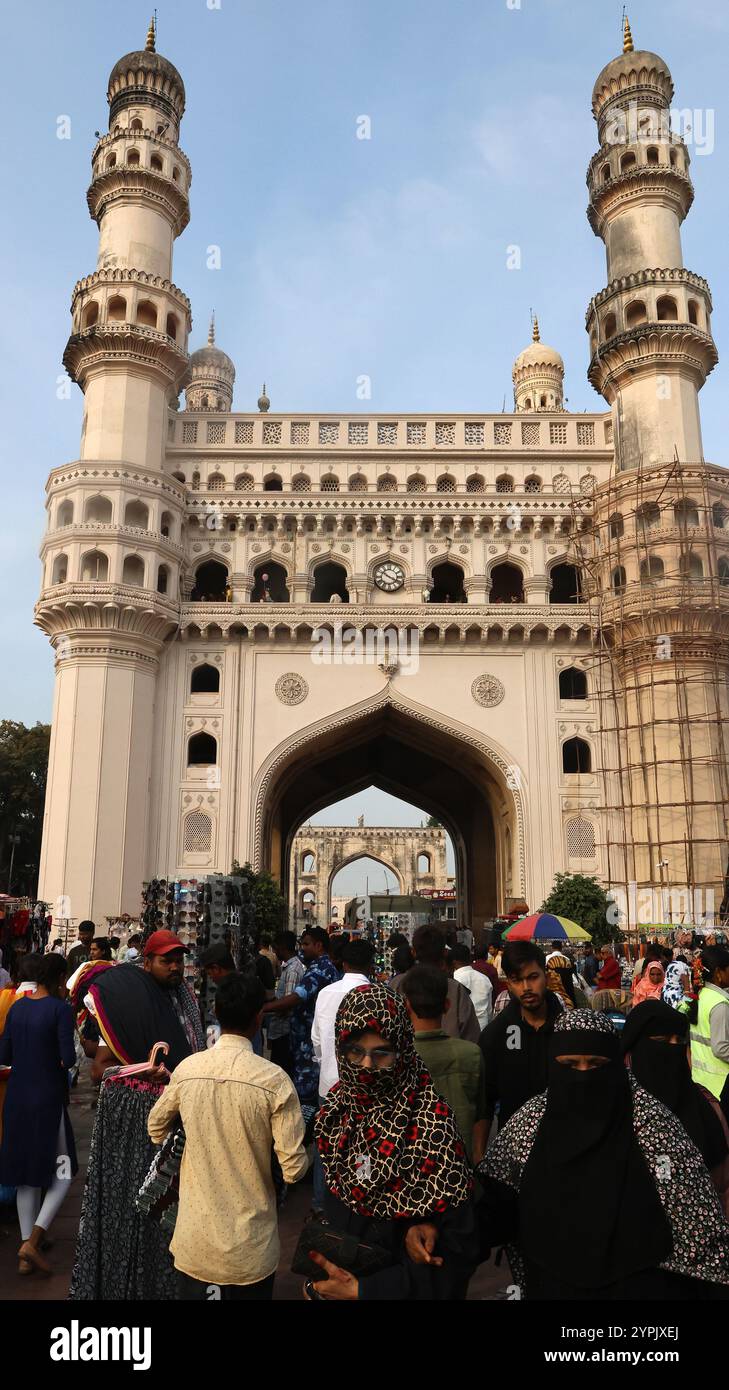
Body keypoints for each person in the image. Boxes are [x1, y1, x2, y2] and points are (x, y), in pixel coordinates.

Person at [408, 1009, 729, 1300]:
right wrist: (441, 1229)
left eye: (596, 1065)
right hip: (548, 1283)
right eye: (570, 1065)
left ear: (615, 1066)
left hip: (642, 1286)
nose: (583, 1075)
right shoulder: (531, 1122)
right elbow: (493, 1204)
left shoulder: (650, 1122)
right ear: (553, 1066)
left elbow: (699, 1225)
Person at [308, 983, 477, 1300]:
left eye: (382, 1053)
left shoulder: (432, 1126)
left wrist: (366, 1291)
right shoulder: (337, 1117)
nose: (367, 1066)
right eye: (356, 1052)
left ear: (403, 1052)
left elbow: (457, 1250)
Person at [148, 972, 309, 1300]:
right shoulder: (274, 1081)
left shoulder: (188, 1069)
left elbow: (155, 1129)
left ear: (216, 1015)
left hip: (195, 1241)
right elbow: (293, 1170)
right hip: (250, 1249)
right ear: (258, 1016)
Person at [69, 930, 205, 1300]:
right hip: (135, 1130)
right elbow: (99, 1069)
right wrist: (140, 1072)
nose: (175, 967)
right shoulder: (122, 1002)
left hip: (177, 1125)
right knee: (136, 1208)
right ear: (147, 962)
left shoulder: (185, 1003)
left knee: (170, 1213)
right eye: (166, 960)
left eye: (179, 959)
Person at [0, 952, 77, 1277]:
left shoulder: (17, 1008)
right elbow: (68, 1058)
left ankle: (24, 1250)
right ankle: (34, 1238)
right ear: (60, 979)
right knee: (63, 1170)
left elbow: (4, 1054)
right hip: (47, 1097)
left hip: (17, 1096)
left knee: (25, 1175)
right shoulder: (61, 1009)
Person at [622, 1000, 729, 1214]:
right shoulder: (616, 1109)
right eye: (661, 1040)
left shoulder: (706, 1107)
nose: (672, 1049)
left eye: (679, 1041)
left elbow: (724, 1185)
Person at [309, 939, 374, 1217]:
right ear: (371, 964)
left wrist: (326, 1065)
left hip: (329, 1084)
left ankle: (322, 1205)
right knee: (363, 1144)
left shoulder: (325, 993)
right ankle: (361, 1200)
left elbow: (316, 1040)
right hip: (366, 1086)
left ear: (343, 964)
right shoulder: (377, 994)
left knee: (327, 1145)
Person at [402, 965, 488, 1164]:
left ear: (407, 1006)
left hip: (409, 1167)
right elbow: (482, 1112)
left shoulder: (399, 1057)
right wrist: (477, 1154)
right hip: (457, 1165)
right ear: (447, 1006)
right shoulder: (471, 1054)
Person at [479, 941, 562, 1134]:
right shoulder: (495, 1034)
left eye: (533, 977)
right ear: (508, 984)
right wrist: (479, 1157)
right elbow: (484, 1102)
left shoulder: (570, 1029)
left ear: (547, 977)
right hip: (512, 1146)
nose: (526, 987)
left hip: (563, 1143)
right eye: (517, 980)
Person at [261, 927, 338, 1105]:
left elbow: (297, 997)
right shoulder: (316, 966)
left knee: (305, 1096)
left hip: (308, 1045)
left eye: (306, 944)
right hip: (304, 1041)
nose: (302, 948)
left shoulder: (321, 969)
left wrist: (263, 1009)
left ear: (318, 945)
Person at [391, 925, 480, 1043]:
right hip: (450, 1057)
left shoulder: (397, 984)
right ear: (444, 952)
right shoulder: (455, 989)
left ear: (413, 952)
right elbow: (472, 1038)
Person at [691, 946, 729, 1125]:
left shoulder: (702, 995)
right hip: (721, 1083)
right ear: (718, 973)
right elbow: (721, 1048)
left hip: (701, 1079)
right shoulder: (720, 1004)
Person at [268, 932, 305, 1076]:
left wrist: (268, 1009)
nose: (275, 952)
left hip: (284, 1032)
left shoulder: (293, 970)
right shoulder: (289, 967)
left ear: (283, 948)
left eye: (276, 948)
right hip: (281, 1031)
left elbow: (288, 1003)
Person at [450, 944, 493, 1030]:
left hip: (462, 1029)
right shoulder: (484, 979)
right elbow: (489, 1011)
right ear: (470, 958)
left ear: (453, 961)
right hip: (482, 1026)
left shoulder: (453, 980)